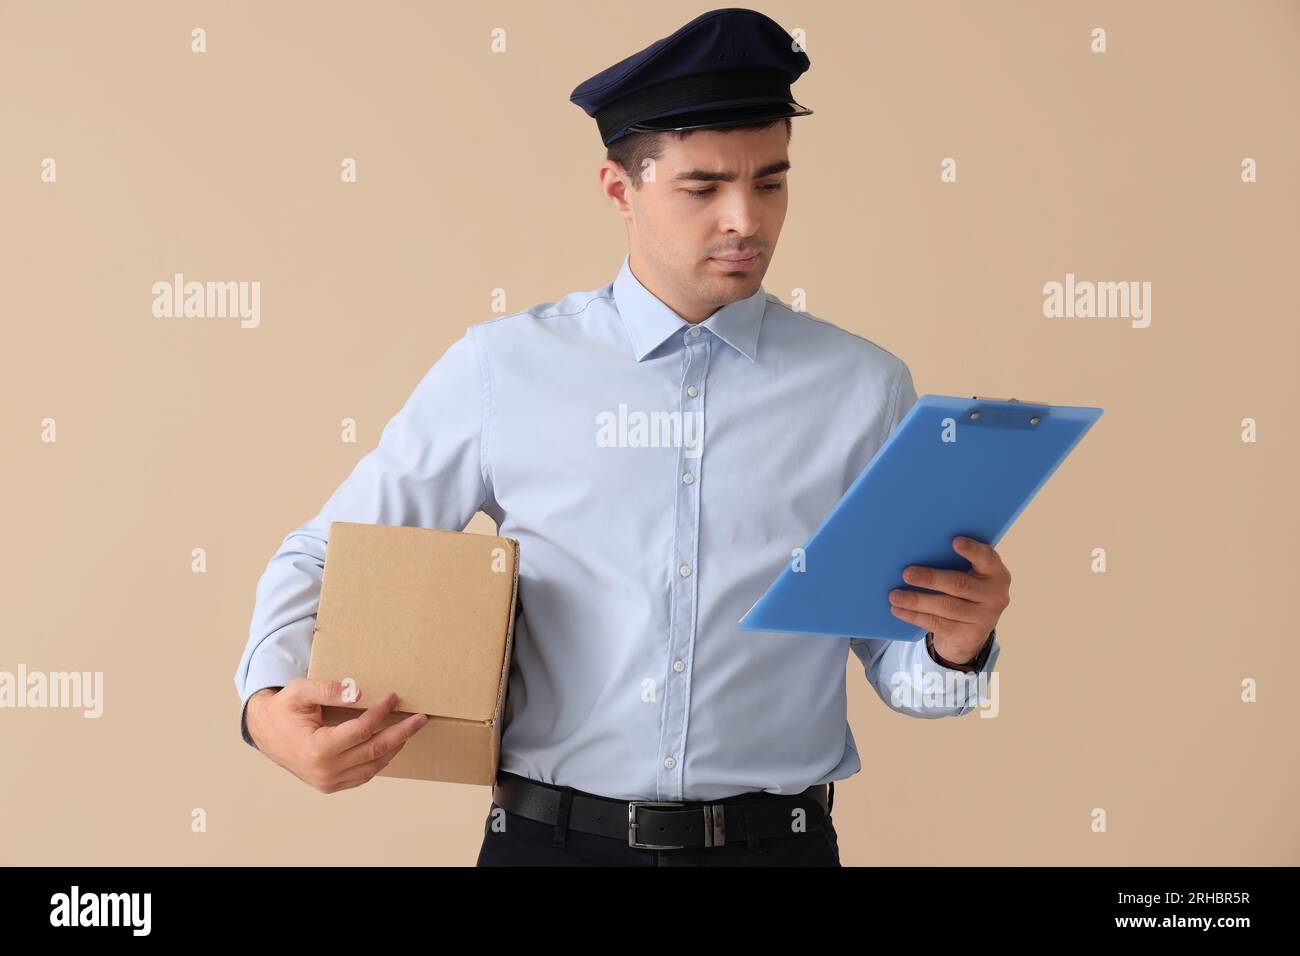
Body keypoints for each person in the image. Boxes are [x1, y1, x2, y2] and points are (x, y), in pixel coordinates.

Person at [234, 7, 1009, 867]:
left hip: (777, 848)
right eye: (703, 187)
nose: (745, 219)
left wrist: (956, 642)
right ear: (619, 188)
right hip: (548, 846)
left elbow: (909, 677)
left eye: (771, 181)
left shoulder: (864, 389)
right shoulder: (506, 369)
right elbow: (326, 556)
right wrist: (265, 705)